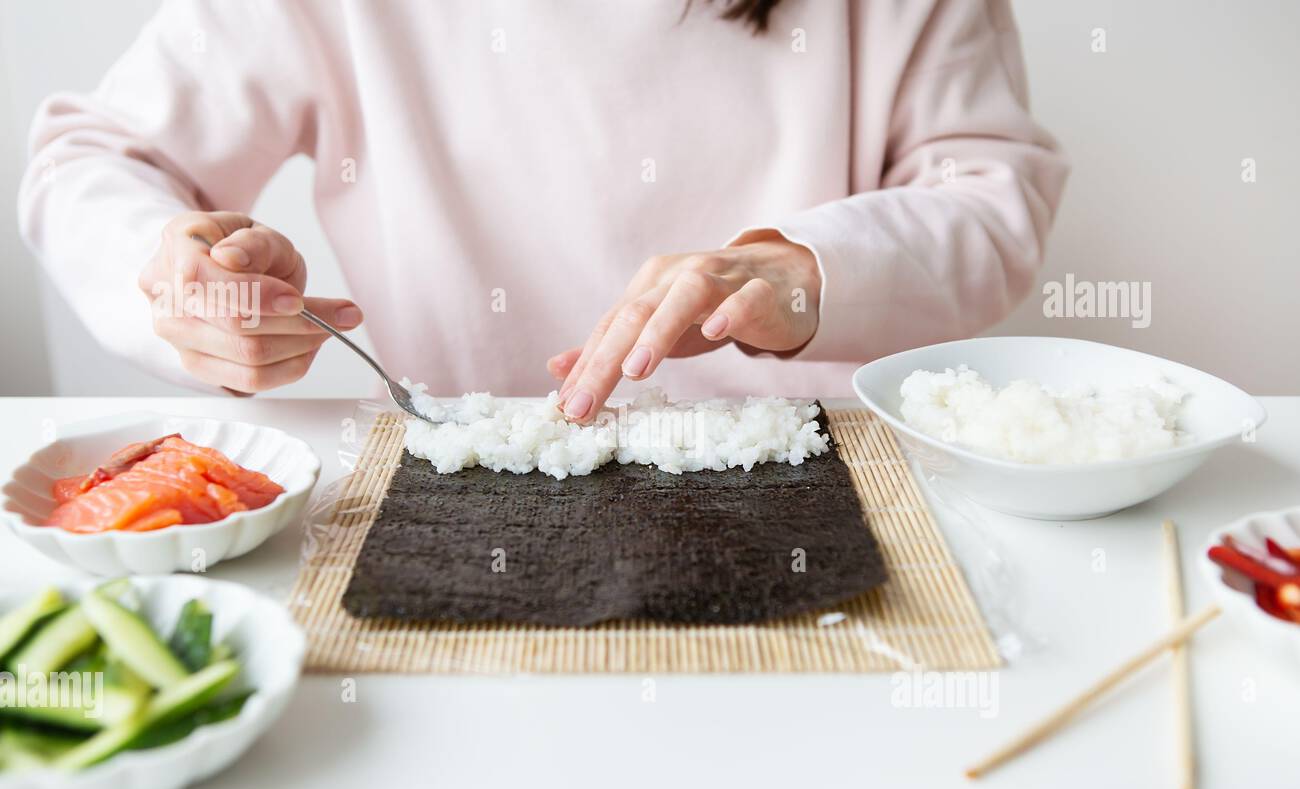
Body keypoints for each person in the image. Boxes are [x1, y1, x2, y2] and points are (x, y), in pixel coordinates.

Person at [18, 0, 1067, 422]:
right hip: (452, 490)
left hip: (822, 484)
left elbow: (993, 194)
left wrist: (806, 272)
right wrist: (172, 271)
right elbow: (90, 159)